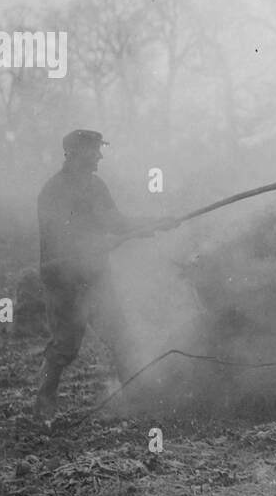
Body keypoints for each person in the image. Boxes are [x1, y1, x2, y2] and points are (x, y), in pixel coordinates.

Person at [33, 130, 179, 416]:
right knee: (65, 346)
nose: (100, 155)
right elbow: (59, 236)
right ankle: (44, 403)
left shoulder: (96, 185)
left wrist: (155, 224)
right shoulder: (53, 191)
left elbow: (115, 221)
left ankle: (137, 401)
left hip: (95, 275)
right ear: (75, 153)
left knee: (119, 336)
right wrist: (92, 242)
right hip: (63, 278)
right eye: (94, 150)